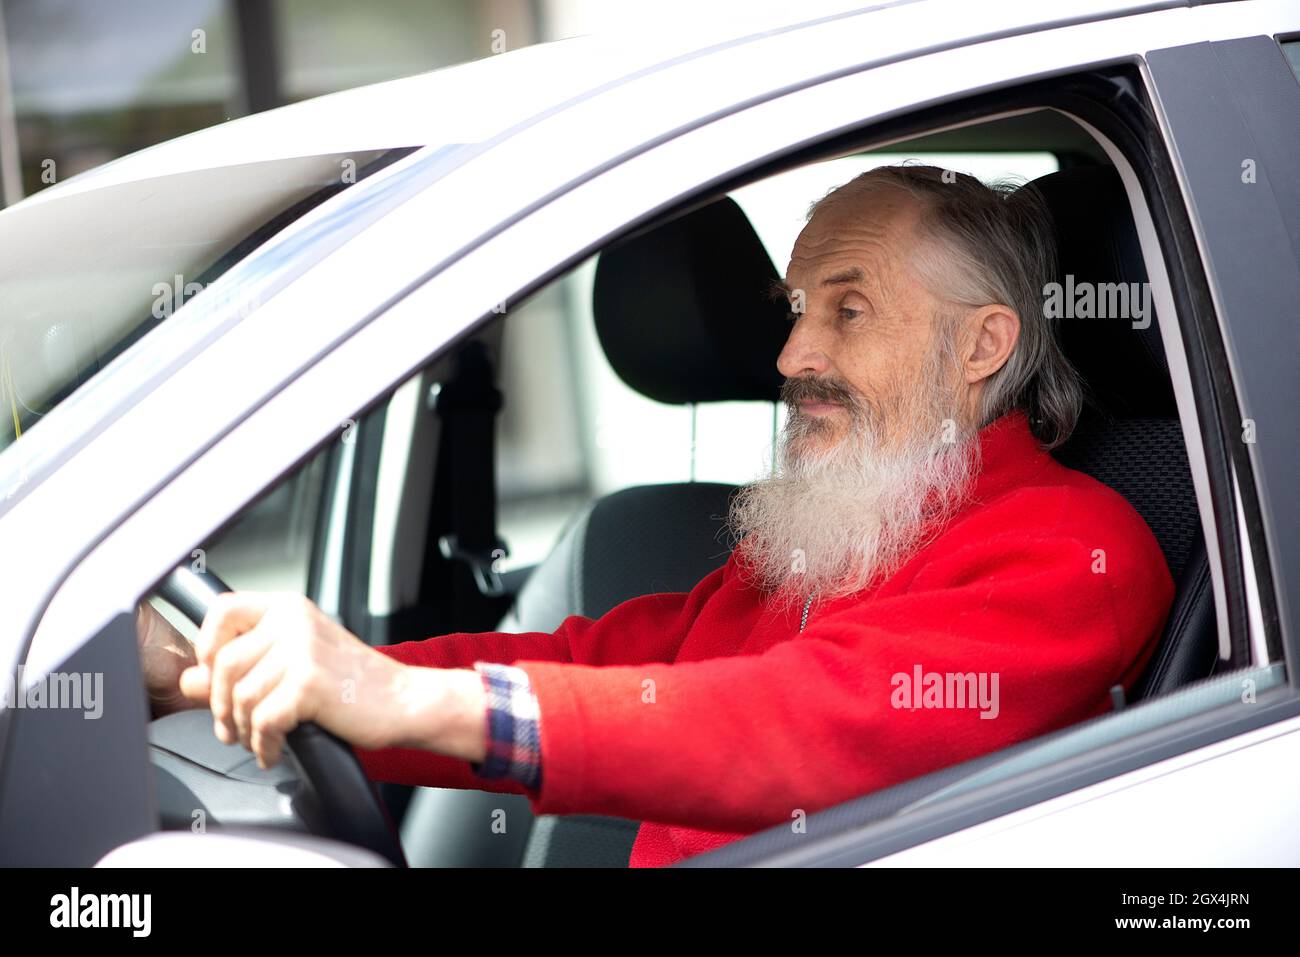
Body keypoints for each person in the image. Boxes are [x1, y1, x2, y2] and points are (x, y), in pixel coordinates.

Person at [138, 165, 1174, 868]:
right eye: (795, 310)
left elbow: (799, 723)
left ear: (982, 345)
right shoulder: (831, 542)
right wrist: (202, 678)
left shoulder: (1076, 553)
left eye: (846, 311)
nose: (789, 357)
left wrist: (406, 702)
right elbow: (597, 657)